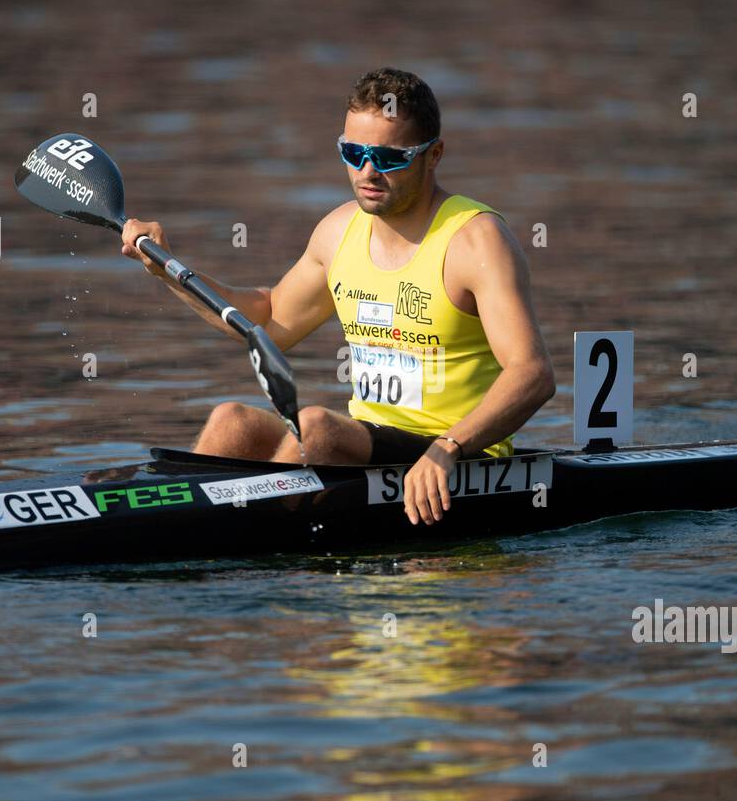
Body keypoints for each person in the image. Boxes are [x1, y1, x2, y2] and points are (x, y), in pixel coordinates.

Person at [121, 67, 554, 525]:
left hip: (459, 457)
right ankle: (174, 531)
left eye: (389, 158)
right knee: (233, 419)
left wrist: (447, 448)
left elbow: (532, 374)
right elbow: (268, 323)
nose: (368, 172)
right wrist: (168, 269)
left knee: (316, 427)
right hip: (375, 445)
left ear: (434, 155)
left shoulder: (476, 241)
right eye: (353, 152)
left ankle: (247, 545)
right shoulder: (338, 231)